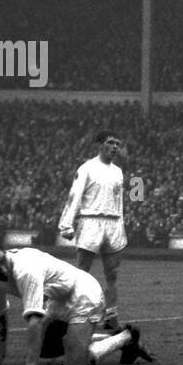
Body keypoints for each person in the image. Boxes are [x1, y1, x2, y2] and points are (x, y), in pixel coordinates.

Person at [0, 241, 153, 365]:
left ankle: (125, 337)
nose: (3, 269)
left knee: (76, 363)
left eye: (3, 261)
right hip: (57, 300)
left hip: (84, 295)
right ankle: (102, 337)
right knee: (44, 350)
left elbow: (35, 319)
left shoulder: (25, 269)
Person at [59, 130, 127, 332]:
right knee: (81, 273)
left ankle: (111, 316)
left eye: (117, 143)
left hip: (113, 223)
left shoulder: (118, 171)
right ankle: (72, 314)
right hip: (91, 222)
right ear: (100, 144)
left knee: (112, 274)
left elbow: (119, 201)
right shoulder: (87, 168)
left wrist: (121, 226)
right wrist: (67, 224)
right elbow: (74, 196)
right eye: (111, 142)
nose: (115, 147)